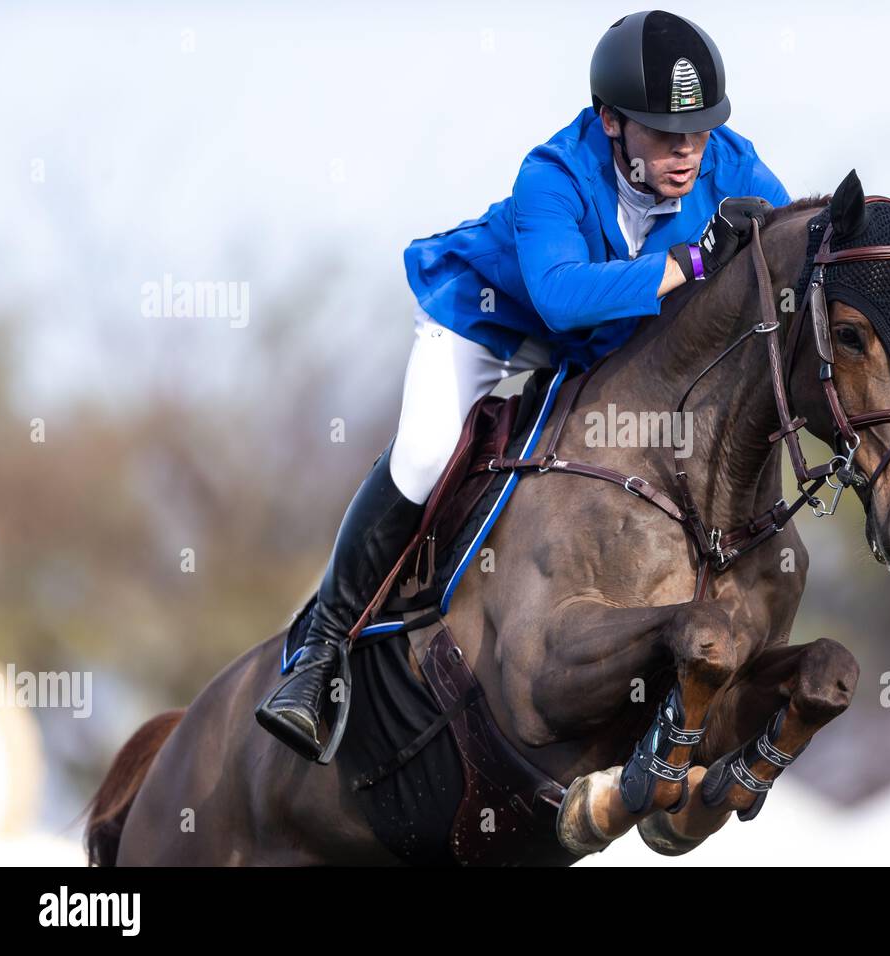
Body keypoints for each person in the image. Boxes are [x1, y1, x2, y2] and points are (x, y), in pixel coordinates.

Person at [256, 10, 791, 761]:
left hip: (603, 349)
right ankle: (317, 655)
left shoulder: (733, 163)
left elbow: (794, 252)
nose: (687, 150)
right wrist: (695, 264)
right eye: (665, 132)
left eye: (698, 131)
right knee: (423, 455)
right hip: (491, 323)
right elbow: (562, 298)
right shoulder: (553, 172)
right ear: (609, 121)